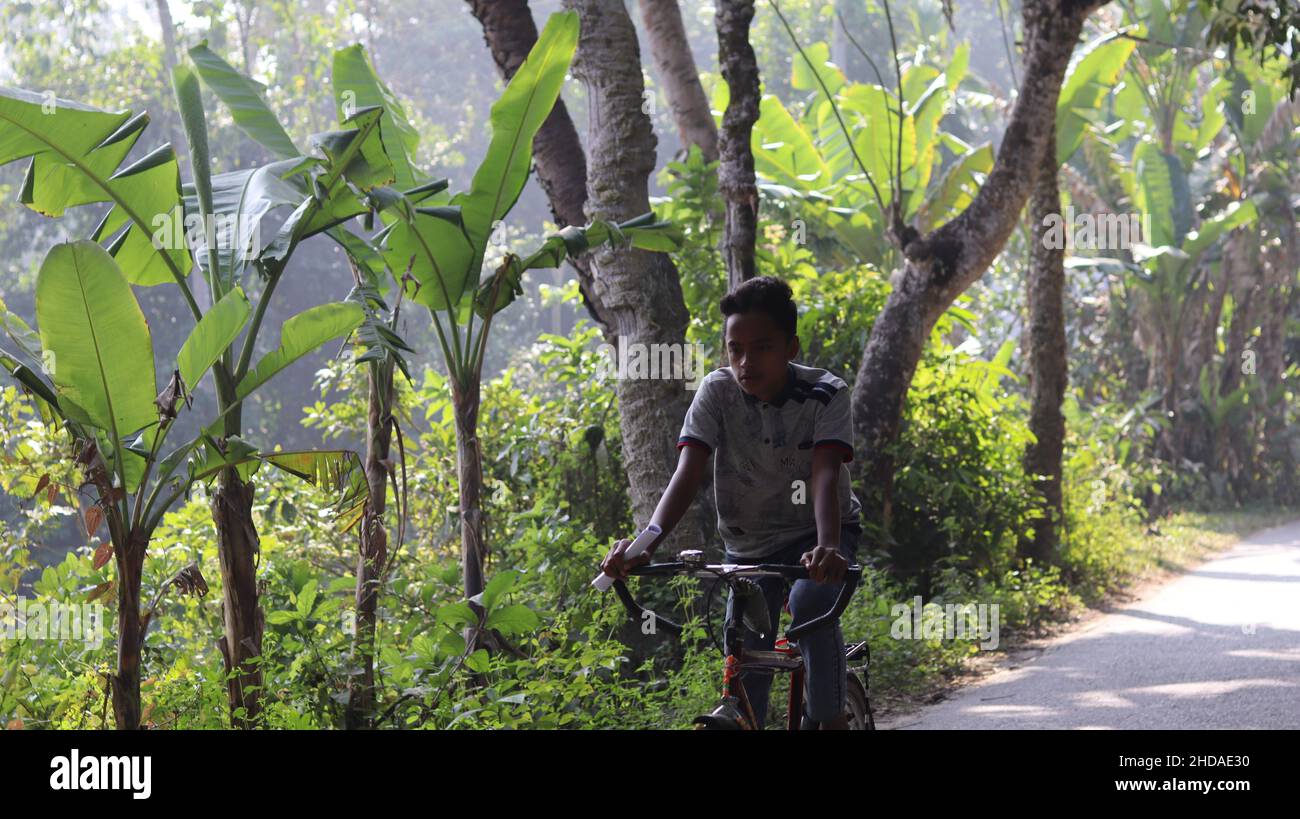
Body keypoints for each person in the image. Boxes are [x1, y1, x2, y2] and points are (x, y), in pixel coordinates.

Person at [600, 276, 864, 729]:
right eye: (734, 349)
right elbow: (688, 473)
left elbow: (824, 474)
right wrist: (647, 542)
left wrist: (827, 547)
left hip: (820, 537)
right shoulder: (717, 392)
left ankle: (832, 718)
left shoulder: (826, 393)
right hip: (748, 547)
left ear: (791, 348)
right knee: (746, 657)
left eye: (761, 348)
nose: (745, 362)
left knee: (810, 606)